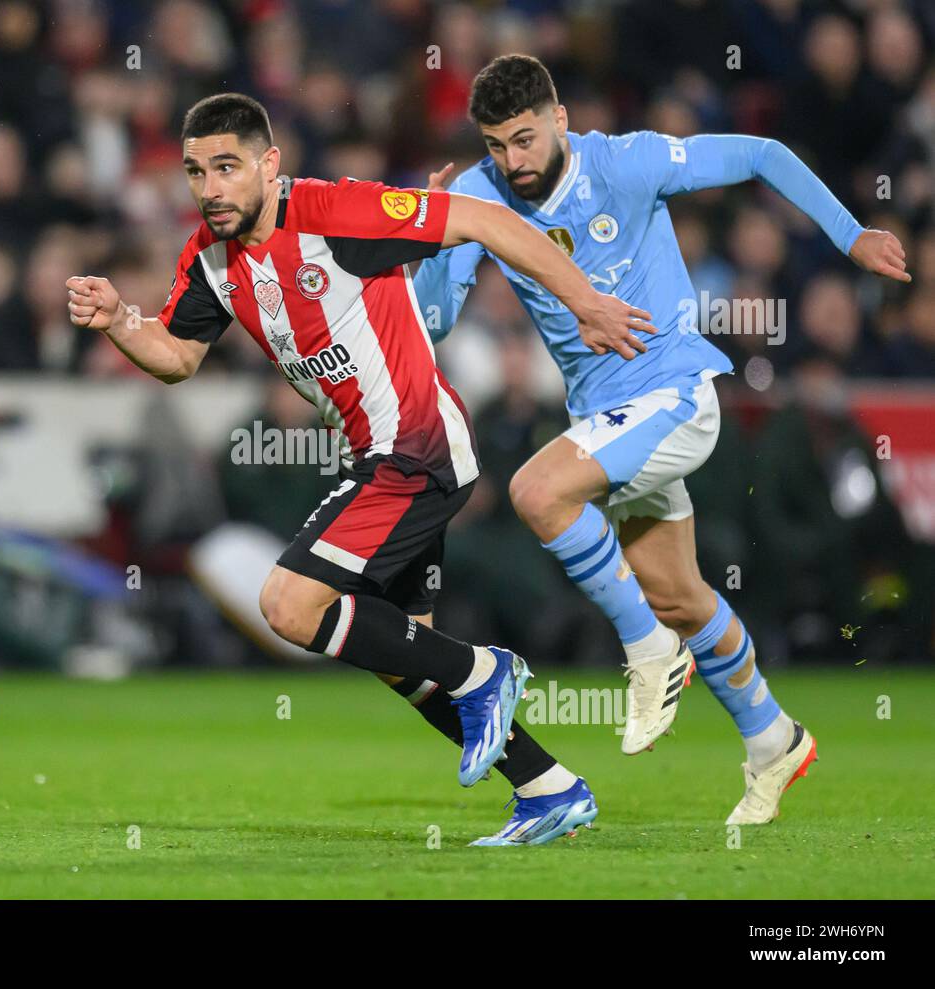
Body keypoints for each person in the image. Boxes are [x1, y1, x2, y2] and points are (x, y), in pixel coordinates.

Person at [67, 92, 653, 845]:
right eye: (194, 171)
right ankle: (548, 787)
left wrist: (586, 303)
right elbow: (178, 356)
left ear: (269, 165)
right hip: (379, 457)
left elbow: (486, 221)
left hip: (415, 447)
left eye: (226, 166)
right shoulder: (211, 261)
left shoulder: (338, 213)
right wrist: (121, 319)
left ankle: (484, 672)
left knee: (289, 604)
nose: (210, 187)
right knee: (400, 656)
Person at [414, 55, 911, 825]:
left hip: (675, 392)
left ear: (559, 120)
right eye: (496, 145)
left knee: (537, 492)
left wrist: (850, 236)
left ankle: (646, 651)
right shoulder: (479, 193)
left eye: (524, 139)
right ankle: (773, 739)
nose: (513, 162)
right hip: (606, 421)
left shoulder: (628, 162)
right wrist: (437, 239)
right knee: (680, 593)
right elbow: (436, 320)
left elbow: (760, 154)